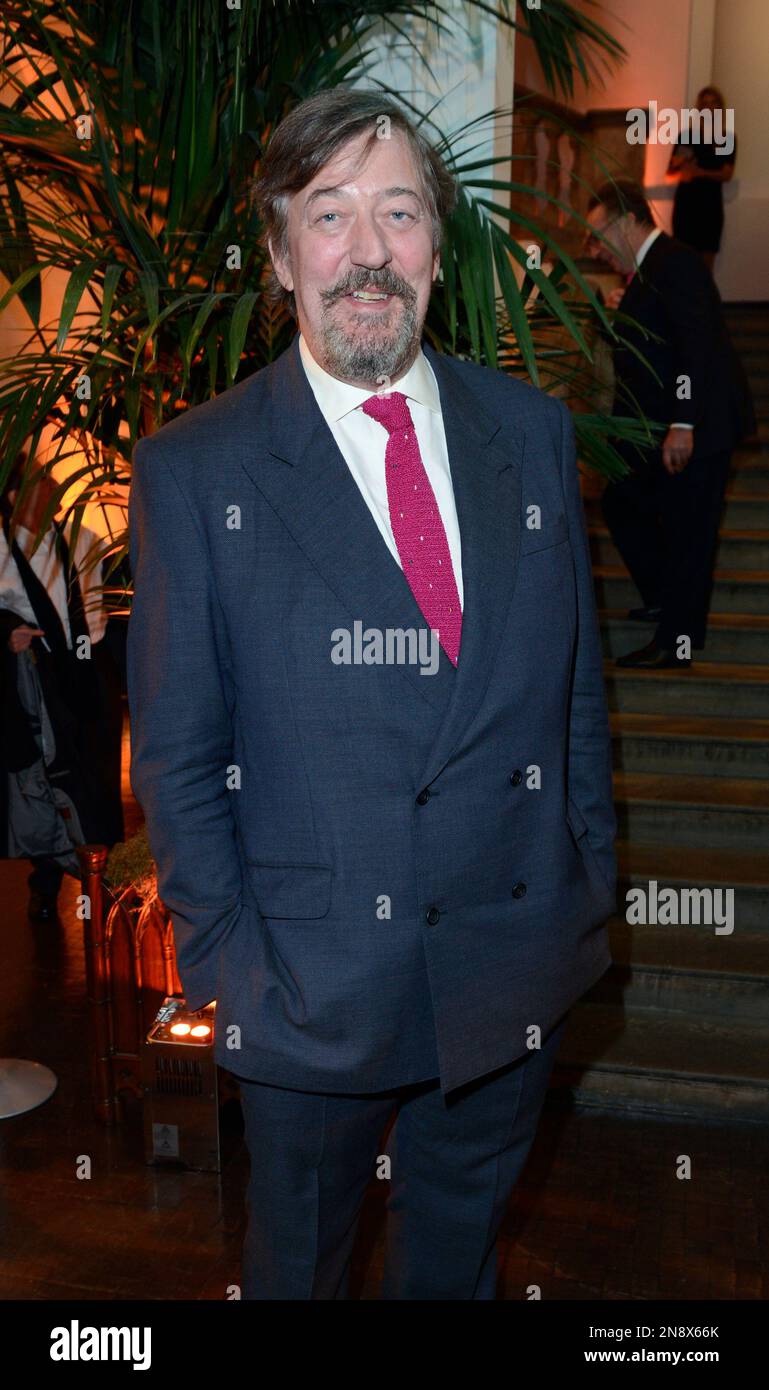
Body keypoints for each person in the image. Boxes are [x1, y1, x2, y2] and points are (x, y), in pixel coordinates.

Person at [127, 88, 617, 1300]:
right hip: (306, 992)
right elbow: (180, 755)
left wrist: (584, 883)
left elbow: (574, 691)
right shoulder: (197, 469)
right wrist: (228, 967)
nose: (367, 251)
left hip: (507, 966)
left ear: (436, 249)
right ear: (280, 251)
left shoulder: (530, 434)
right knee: (297, 1272)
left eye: (398, 212)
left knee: (457, 1266)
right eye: (329, 213)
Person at [586, 180, 755, 669]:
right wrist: (621, 311)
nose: (596, 247)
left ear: (627, 221)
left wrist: (683, 423)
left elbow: (694, 347)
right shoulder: (648, 270)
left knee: (689, 533)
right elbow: (654, 341)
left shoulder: (676, 262)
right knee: (622, 500)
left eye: (599, 233)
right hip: (658, 427)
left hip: (698, 426)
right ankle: (665, 598)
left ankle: (676, 642)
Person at [0, 450, 125, 921]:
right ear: (15, 496)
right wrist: (5, 633)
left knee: (101, 778)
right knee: (57, 779)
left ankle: (106, 881)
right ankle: (48, 880)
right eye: (41, 482)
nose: (53, 489)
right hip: (45, 676)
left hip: (93, 667)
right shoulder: (1, 550)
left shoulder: (81, 536)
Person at [668, 86, 735, 273]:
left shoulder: (726, 138)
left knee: (706, 266)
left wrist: (700, 172)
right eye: (705, 104)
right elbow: (671, 171)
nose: (709, 108)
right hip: (686, 206)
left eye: (714, 104)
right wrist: (680, 164)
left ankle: (703, 294)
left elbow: (727, 174)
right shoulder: (687, 136)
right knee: (683, 262)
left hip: (710, 208)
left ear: (720, 108)